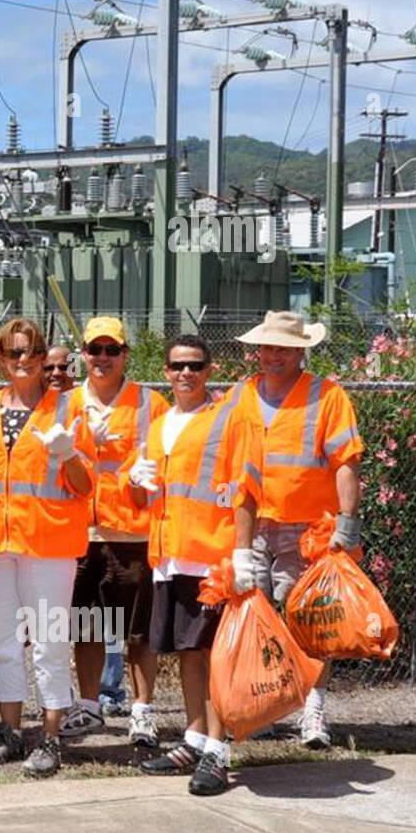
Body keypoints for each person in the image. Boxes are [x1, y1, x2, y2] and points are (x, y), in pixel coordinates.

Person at [126, 335, 262, 796]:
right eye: (177, 365)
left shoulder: (228, 418)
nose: (186, 373)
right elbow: (151, 491)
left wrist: (242, 552)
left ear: (209, 370)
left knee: (212, 655)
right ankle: (195, 737)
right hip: (169, 556)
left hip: (213, 558)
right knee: (187, 651)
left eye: (195, 365)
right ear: (165, 371)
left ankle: (218, 753)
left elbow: (244, 487)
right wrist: (137, 483)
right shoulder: (161, 422)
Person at [228, 311, 364, 748]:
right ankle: (270, 707)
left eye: (284, 348)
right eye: (268, 347)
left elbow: (347, 460)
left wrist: (347, 523)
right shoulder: (242, 394)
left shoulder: (327, 396)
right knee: (261, 618)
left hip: (309, 527)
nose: (274, 356)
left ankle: (313, 709)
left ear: (301, 350)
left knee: (309, 620)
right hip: (253, 523)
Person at [0, 318, 96, 777]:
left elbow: (85, 487)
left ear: (44, 358)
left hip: (47, 546)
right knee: (3, 642)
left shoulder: (67, 410)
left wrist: (68, 454)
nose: (20, 360)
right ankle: (10, 733)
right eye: (11, 352)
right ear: (0, 360)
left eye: (29, 352)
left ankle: (49, 739)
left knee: (48, 643)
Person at [61, 317, 168, 747]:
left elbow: (164, 459)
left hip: (132, 534)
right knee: (86, 626)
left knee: (137, 631)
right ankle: (88, 707)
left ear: (125, 355)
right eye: (95, 350)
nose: (103, 358)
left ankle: (142, 711)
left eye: (112, 350)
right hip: (79, 533)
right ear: (83, 354)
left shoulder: (150, 403)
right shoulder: (66, 403)